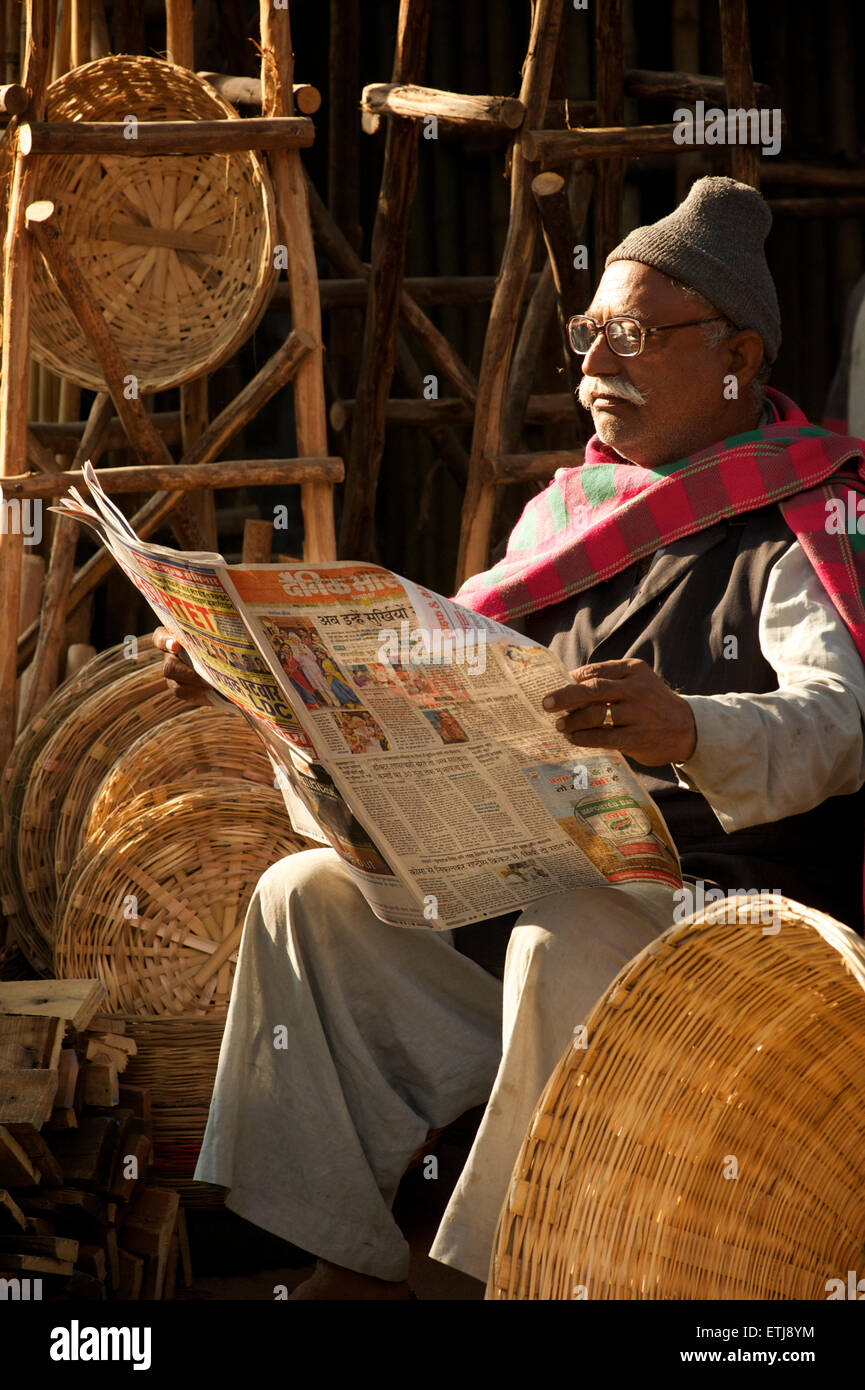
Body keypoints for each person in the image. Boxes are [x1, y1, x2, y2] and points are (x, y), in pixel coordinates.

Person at [155, 176, 865, 1299]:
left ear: (737, 357)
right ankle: (346, 1256)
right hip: (542, 892)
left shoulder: (811, 516)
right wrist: (273, 702)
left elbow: (839, 725)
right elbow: (408, 725)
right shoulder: (561, 525)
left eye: (631, 336)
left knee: (560, 927)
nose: (591, 365)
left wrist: (686, 725)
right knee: (309, 899)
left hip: (719, 934)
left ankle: (486, 1279)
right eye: (588, 334)